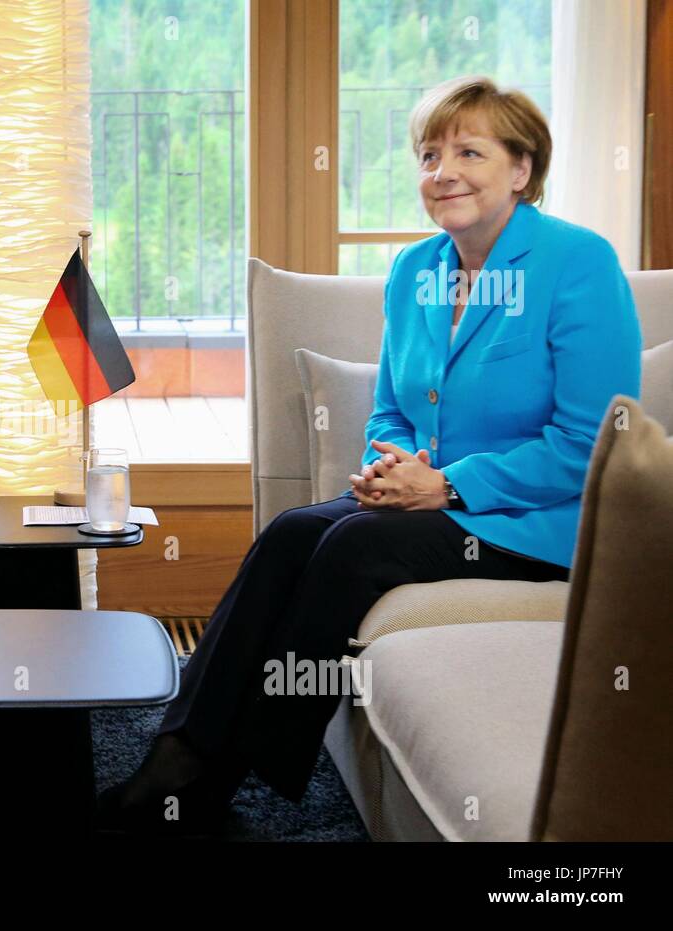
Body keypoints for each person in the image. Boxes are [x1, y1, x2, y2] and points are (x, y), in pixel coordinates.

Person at [97, 75, 643, 834]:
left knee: (354, 544)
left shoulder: (578, 263)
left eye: (468, 151)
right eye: (428, 154)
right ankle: (175, 758)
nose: (441, 170)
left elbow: (592, 445)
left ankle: (217, 774)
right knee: (292, 531)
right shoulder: (415, 271)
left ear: (522, 169)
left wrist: (446, 484)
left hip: (538, 521)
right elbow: (391, 405)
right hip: (423, 497)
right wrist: (389, 465)